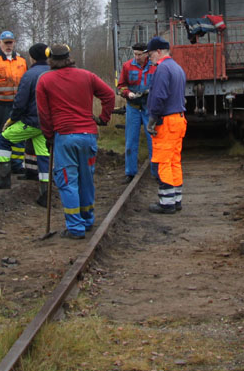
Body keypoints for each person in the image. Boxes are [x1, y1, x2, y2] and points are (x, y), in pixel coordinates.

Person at [36, 44, 115, 239]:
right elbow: (109, 95)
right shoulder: (87, 76)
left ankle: (75, 228)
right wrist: (104, 118)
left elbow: (44, 114)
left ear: (50, 60)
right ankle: (87, 220)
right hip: (88, 136)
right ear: (69, 57)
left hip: (64, 137)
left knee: (67, 182)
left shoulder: (45, 80)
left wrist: (48, 136)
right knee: (86, 179)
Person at [0, 43, 52, 207]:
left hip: (31, 121)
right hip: (46, 123)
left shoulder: (30, 75)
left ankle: (4, 178)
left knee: (2, 139)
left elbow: (20, 102)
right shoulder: (53, 73)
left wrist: (12, 119)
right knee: (43, 155)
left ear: (32, 57)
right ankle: (45, 192)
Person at [144, 36, 187, 214]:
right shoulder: (177, 68)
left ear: (159, 52)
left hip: (167, 121)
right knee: (174, 160)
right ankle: (176, 199)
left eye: (151, 54)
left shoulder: (162, 69)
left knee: (163, 161)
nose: (150, 58)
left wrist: (152, 118)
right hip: (179, 119)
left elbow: (159, 96)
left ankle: (166, 203)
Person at [0, 30, 27, 173]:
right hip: (0, 104)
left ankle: (16, 164)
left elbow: (25, 82)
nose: (8, 46)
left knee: (19, 135)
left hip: (18, 105)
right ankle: (1, 165)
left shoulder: (21, 60)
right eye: (6, 43)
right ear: (0, 43)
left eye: (11, 42)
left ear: (14, 43)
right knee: (0, 133)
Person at [117, 42, 156, 184]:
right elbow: (121, 86)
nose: (137, 57)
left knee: (152, 140)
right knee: (130, 141)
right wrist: (128, 93)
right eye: (135, 54)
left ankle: (155, 172)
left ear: (146, 54)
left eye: (139, 54)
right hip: (133, 107)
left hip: (148, 107)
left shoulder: (154, 67)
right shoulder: (127, 66)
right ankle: (130, 173)